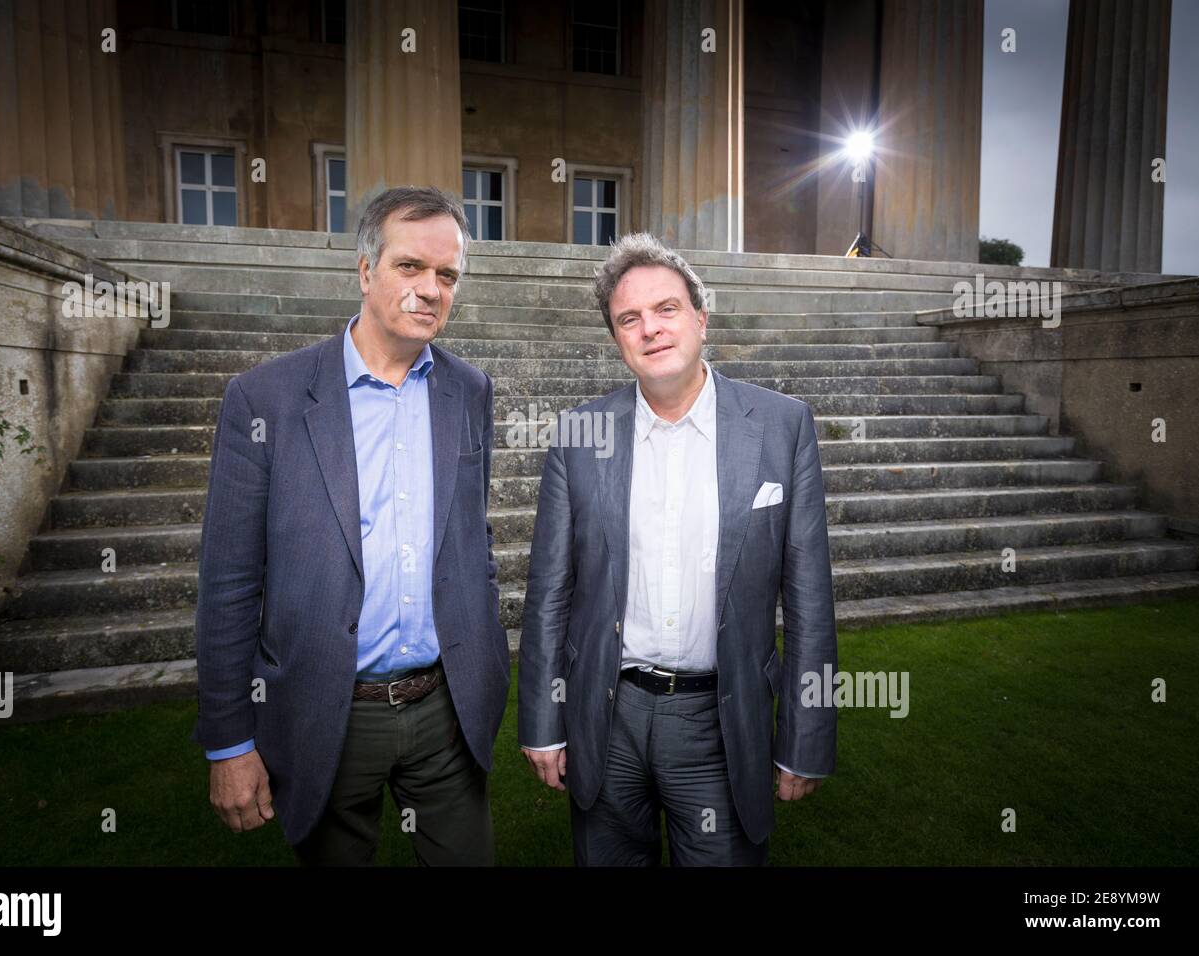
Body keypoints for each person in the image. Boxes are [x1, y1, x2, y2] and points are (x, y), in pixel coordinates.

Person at [192, 186, 510, 865]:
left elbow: (471, 537)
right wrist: (228, 741)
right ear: (366, 271)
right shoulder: (265, 398)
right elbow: (229, 581)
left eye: (446, 275)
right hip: (325, 712)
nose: (430, 289)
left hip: (446, 711)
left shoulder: (471, 390)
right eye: (410, 267)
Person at [518, 232, 838, 866]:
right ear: (617, 340)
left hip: (720, 721)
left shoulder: (782, 426)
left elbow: (809, 601)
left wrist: (807, 736)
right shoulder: (579, 436)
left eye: (666, 309)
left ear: (700, 315)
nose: (651, 330)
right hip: (608, 716)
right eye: (629, 319)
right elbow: (549, 592)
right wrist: (542, 721)